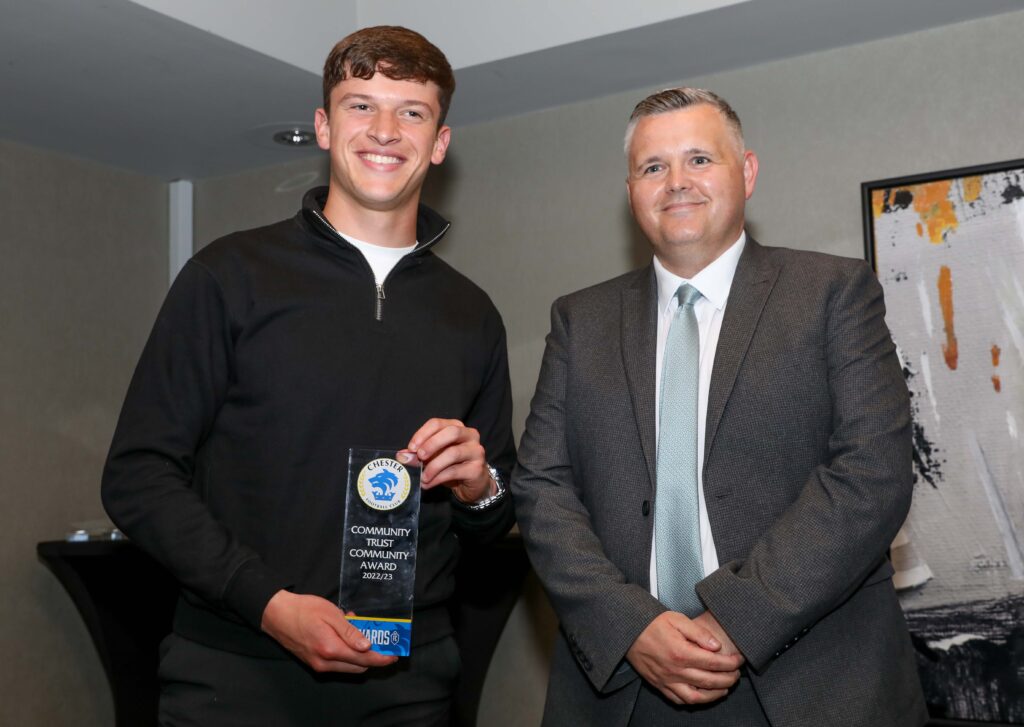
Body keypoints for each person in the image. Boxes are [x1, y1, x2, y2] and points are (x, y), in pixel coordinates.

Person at [102, 26, 515, 726]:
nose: (384, 130)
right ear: (324, 126)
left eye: (412, 112)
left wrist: (481, 488)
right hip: (235, 673)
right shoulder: (228, 276)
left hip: (409, 684)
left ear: (440, 141)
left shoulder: (472, 315)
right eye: (361, 105)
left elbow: (493, 522)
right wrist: (268, 604)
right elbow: (137, 477)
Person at [511, 87, 927, 726]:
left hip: (810, 683)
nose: (677, 182)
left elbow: (871, 473)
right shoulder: (579, 320)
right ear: (631, 191)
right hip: (624, 686)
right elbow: (542, 488)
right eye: (653, 167)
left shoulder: (833, 292)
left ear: (748, 173)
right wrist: (631, 625)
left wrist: (736, 617)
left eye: (700, 159)